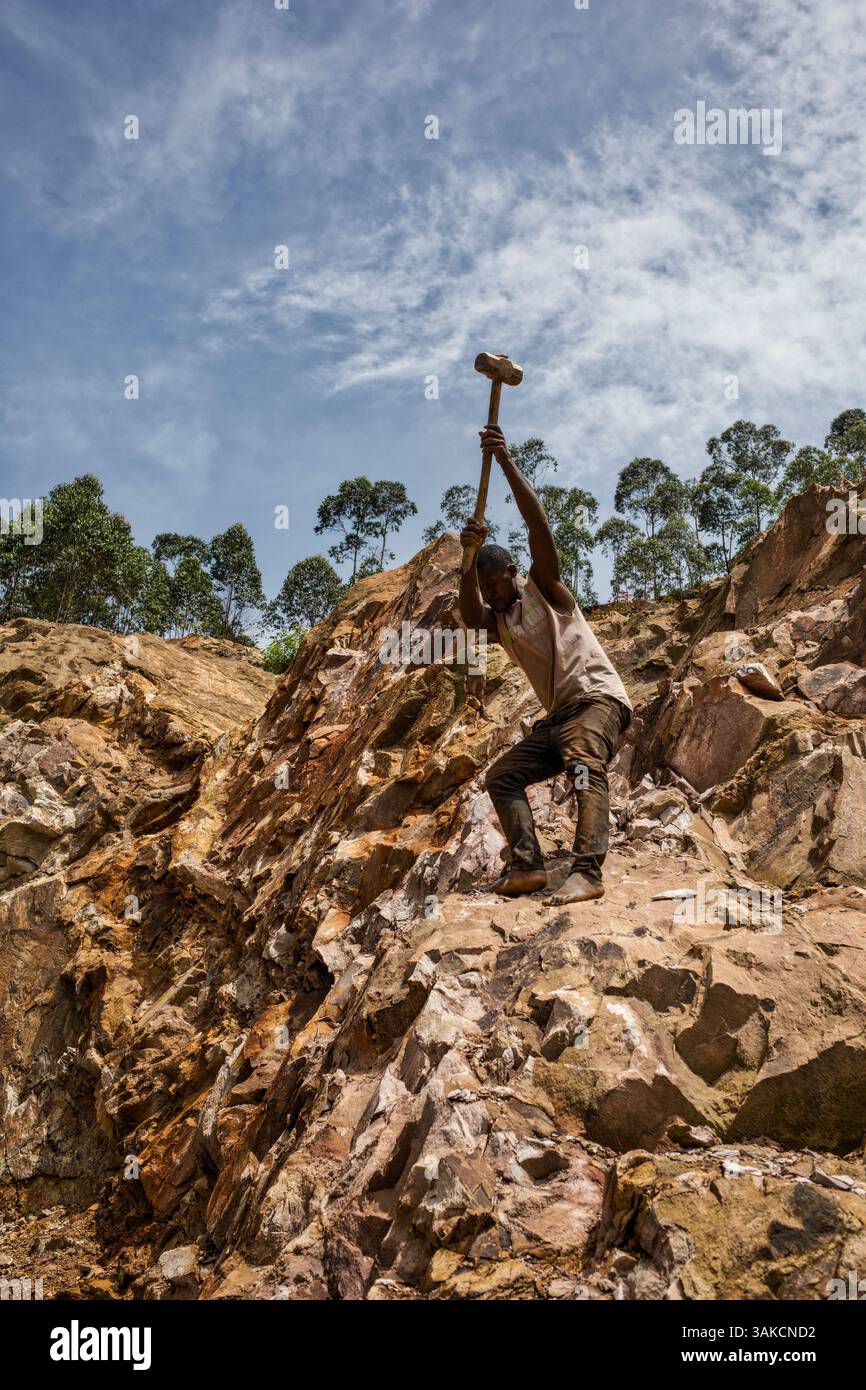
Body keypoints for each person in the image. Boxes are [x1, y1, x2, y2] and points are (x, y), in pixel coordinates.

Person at [458, 423, 633, 904]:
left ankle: (588, 873)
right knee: (502, 777)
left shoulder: (544, 588)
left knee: (582, 766)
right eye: (485, 590)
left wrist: (506, 461)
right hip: (557, 718)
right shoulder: (499, 621)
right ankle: (528, 868)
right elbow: (469, 616)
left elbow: (539, 527)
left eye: (494, 586)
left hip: (597, 700)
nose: (491, 596)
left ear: (512, 573)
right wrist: (466, 557)